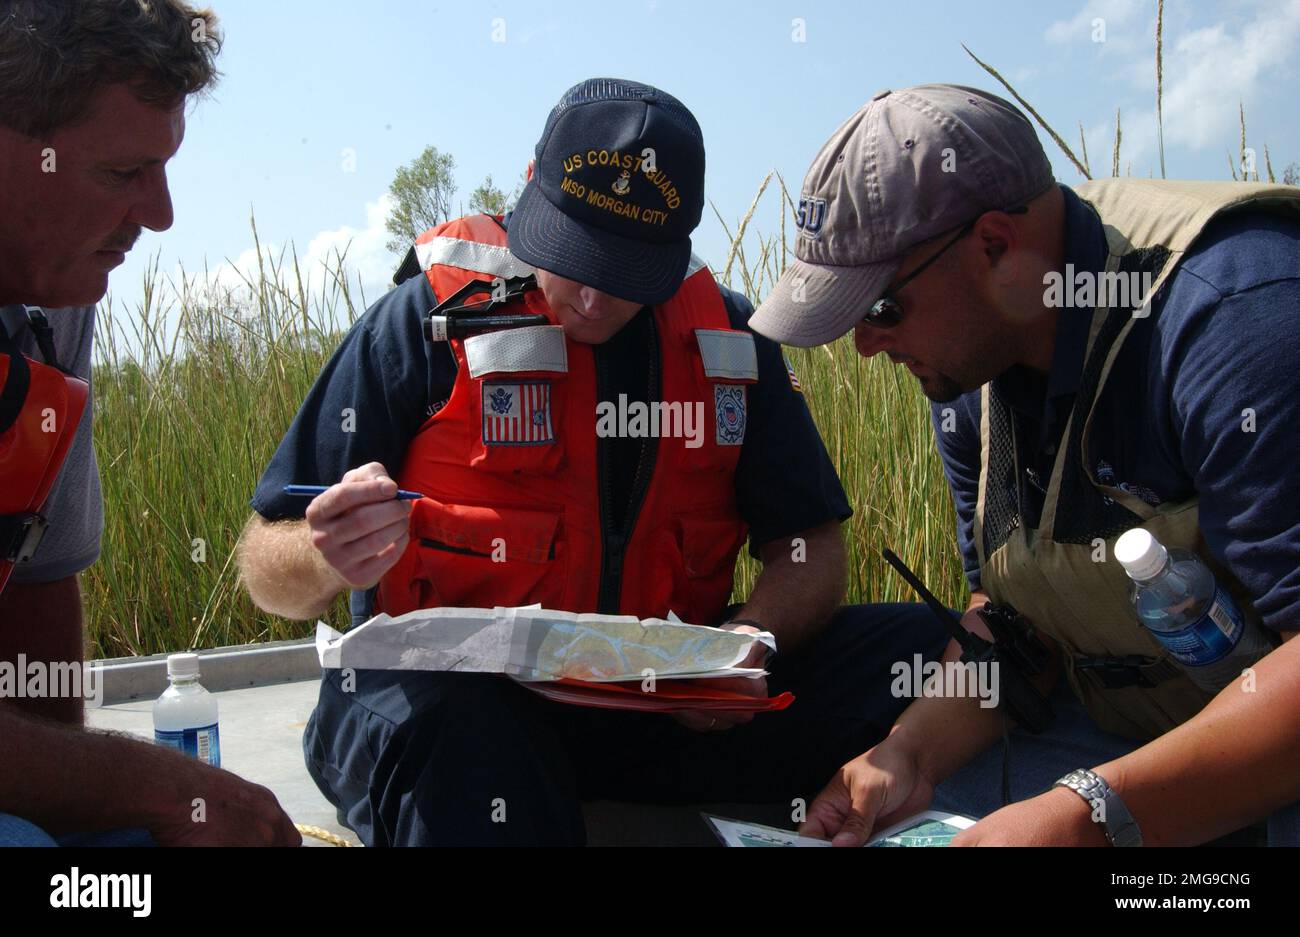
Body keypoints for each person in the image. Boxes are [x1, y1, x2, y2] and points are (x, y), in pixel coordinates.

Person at [236, 77, 949, 846]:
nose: (589, 297)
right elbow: (264, 563)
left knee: (917, 645)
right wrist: (324, 553)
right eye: (571, 255)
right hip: (456, 706)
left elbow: (813, 550)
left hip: (664, 718)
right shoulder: (424, 323)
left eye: (625, 272)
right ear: (532, 189)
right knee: (464, 738)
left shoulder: (731, 341)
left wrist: (750, 640)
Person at [749, 83, 1300, 846]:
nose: (864, 346)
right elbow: (1013, 628)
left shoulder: (1233, 316)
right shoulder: (970, 382)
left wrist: (1085, 818)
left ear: (996, 245)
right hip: (1129, 744)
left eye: (880, 309)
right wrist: (907, 751)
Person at [0, 0, 299, 847]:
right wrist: (145, 782)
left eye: (163, 167)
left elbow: (35, 579)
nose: (161, 213)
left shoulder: (50, 301)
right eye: (121, 172)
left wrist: (101, 804)